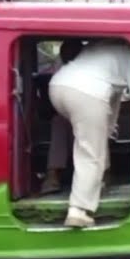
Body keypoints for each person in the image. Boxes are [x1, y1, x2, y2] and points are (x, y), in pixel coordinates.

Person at [48, 39, 130, 229]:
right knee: (90, 153)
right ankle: (78, 210)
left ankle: (97, 183)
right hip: (87, 92)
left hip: (58, 86)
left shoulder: (99, 46)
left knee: (92, 140)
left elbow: (112, 104)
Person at [41, 39, 85, 194]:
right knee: (59, 121)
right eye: (66, 54)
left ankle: (102, 175)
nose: (69, 57)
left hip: (94, 114)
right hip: (68, 115)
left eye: (73, 54)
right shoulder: (59, 73)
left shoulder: (90, 73)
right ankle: (53, 174)